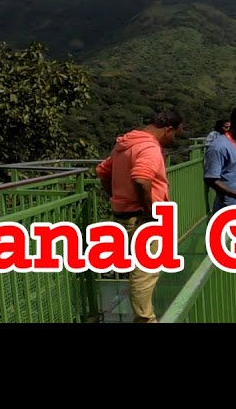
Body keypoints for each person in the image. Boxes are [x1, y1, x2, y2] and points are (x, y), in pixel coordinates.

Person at [94, 109, 184, 323]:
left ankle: (144, 314)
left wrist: (115, 196)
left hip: (124, 214)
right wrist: (150, 211)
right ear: (168, 129)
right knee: (145, 270)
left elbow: (103, 171)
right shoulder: (150, 147)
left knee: (141, 268)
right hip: (141, 217)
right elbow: (142, 179)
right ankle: (145, 319)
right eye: (176, 134)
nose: (174, 140)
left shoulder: (126, 143)